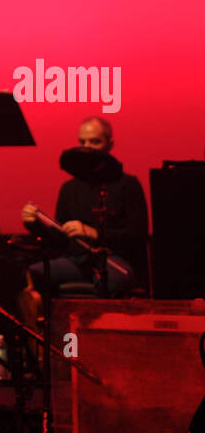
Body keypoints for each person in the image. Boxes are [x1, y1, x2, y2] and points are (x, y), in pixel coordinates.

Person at [18, 117, 148, 326]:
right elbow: (61, 241)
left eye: (95, 142)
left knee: (110, 282)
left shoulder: (127, 184)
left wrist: (94, 233)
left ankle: (98, 342)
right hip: (78, 261)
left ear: (109, 145)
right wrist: (34, 224)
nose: (87, 149)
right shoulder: (70, 188)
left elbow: (138, 234)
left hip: (116, 261)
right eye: (82, 142)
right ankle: (43, 342)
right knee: (30, 275)